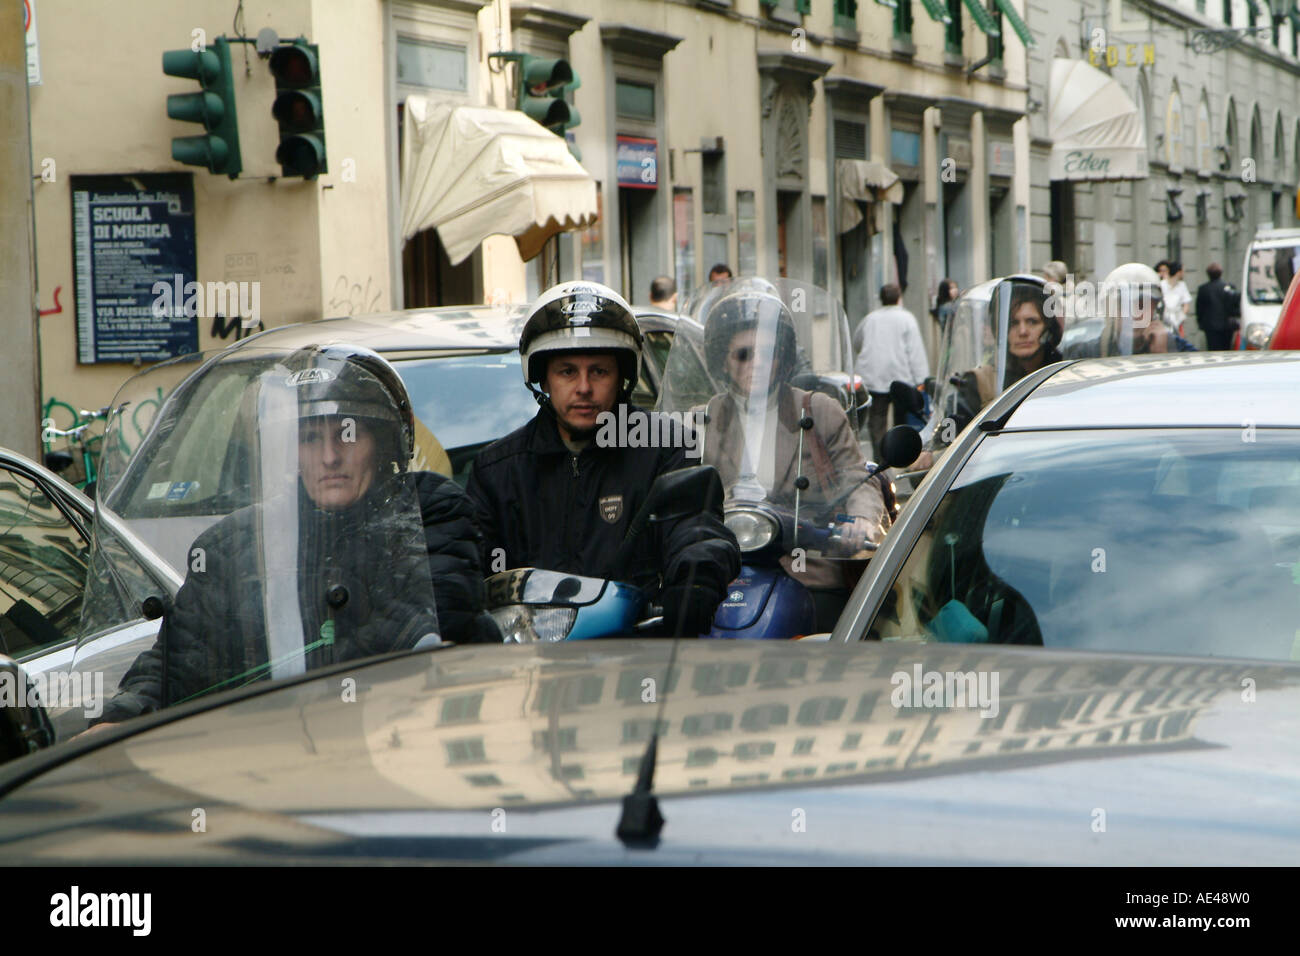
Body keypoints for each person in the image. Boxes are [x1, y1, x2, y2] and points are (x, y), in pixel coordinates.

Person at [88, 345, 495, 730]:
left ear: (385, 441)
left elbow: (428, 622)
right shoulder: (234, 543)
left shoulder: (429, 510)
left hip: (399, 731)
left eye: (348, 435)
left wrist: (287, 674)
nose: (330, 456)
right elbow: (181, 658)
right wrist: (121, 717)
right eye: (309, 438)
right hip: (270, 749)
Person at [466, 281, 740, 637]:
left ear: (622, 377)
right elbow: (466, 561)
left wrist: (696, 580)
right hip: (529, 659)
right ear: (543, 379)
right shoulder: (496, 471)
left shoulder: (665, 448)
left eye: (599, 371)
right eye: (567, 371)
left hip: (636, 650)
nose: (583, 387)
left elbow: (694, 527)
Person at [697, 287, 889, 631]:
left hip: (808, 571)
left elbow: (856, 478)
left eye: (766, 353)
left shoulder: (819, 411)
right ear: (722, 360)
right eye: (743, 354)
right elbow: (680, 493)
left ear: (783, 357)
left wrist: (861, 520)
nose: (755, 364)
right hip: (725, 574)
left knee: (834, 644)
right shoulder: (703, 420)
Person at [853, 283, 929, 464]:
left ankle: (881, 458)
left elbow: (857, 342)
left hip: (874, 376)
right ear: (899, 298)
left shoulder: (870, 319)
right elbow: (915, 350)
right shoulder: (906, 318)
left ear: (881, 299)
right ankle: (899, 454)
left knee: (877, 420)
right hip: (900, 378)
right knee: (901, 419)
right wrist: (921, 379)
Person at [1101, 262, 1198, 354]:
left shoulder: (1176, 345)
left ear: (1155, 310)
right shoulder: (1094, 348)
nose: (1134, 314)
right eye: (1125, 306)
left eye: (1141, 306)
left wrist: (1163, 355)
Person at [1195, 262, 1240, 351]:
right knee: (1226, 348)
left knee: (1213, 349)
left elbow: (1199, 308)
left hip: (1211, 326)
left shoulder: (1203, 289)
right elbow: (1235, 305)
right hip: (1227, 325)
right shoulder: (1229, 287)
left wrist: (1200, 322)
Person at [1162, 260, 1193, 335]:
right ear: (1178, 272)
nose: (1184, 274)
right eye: (1183, 271)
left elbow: (1186, 304)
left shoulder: (1182, 285)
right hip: (1164, 318)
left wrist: (1181, 317)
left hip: (1177, 318)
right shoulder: (1162, 285)